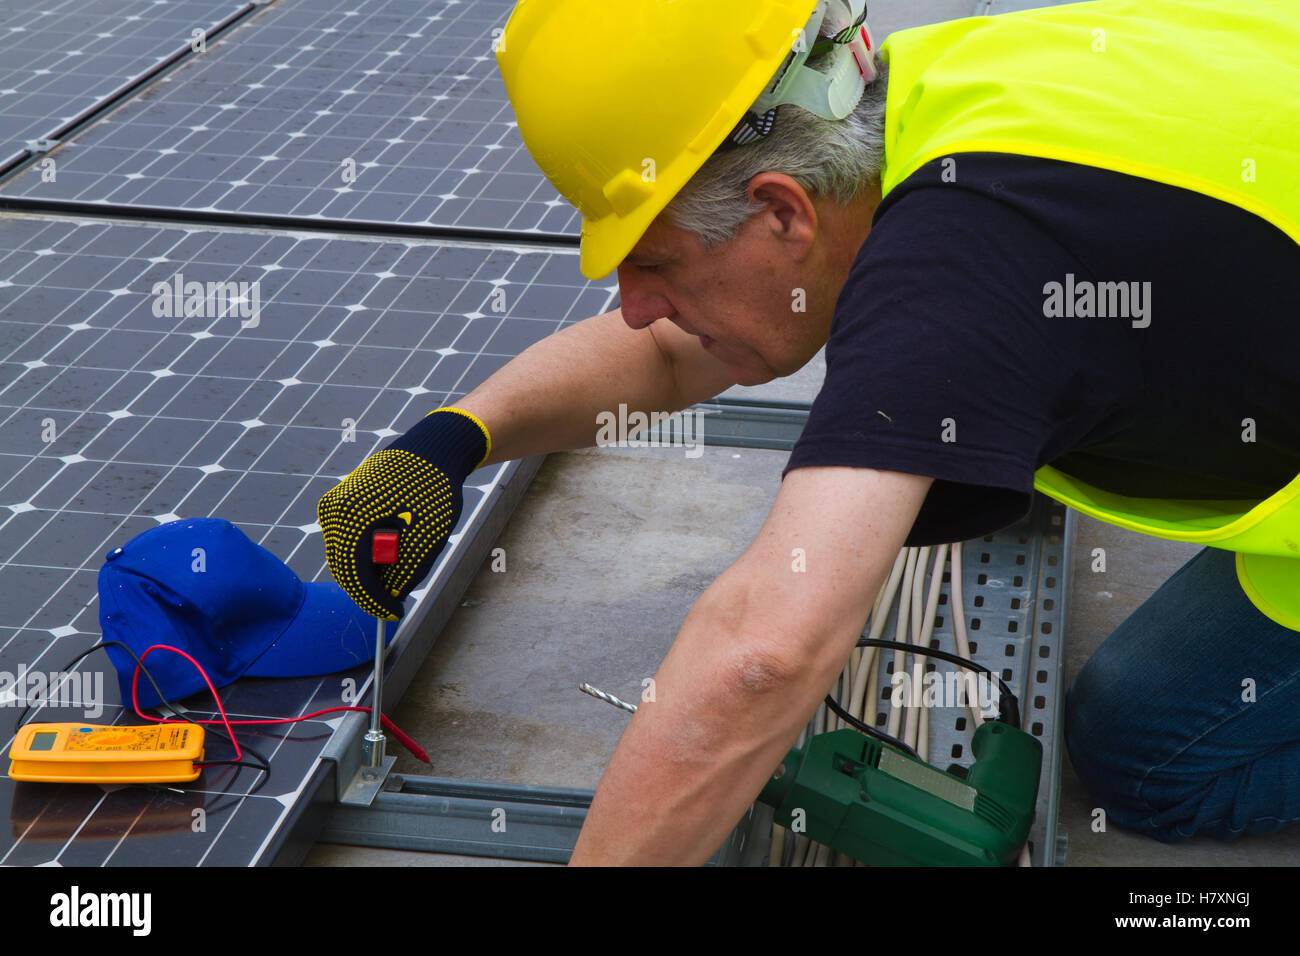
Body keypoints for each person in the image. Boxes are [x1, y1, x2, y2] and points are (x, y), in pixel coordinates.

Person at [317, 0, 1300, 863]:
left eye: (652, 263)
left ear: (780, 210)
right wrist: (451, 439)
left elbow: (766, 654)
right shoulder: (909, 108)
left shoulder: (960, 271)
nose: (632, 306)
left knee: (1141, 753)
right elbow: (674, 353)